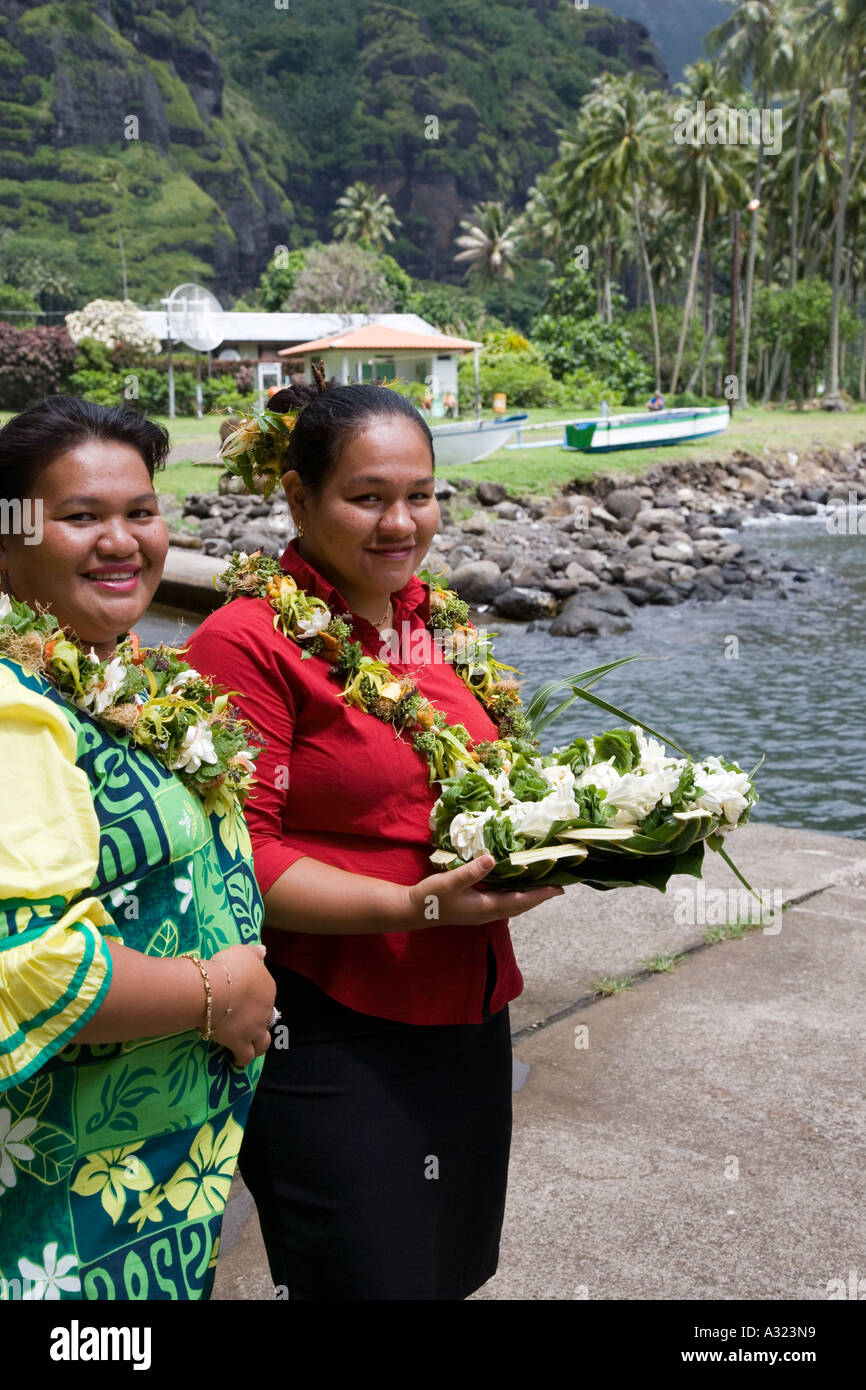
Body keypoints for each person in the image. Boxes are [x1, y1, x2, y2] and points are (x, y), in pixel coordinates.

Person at [186, 378, 564, 1300]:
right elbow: (242, 857)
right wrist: (413, 905)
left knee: (445, 1270)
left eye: (421, 494)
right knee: (368, 1280)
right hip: (328, 1025)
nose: (402, 522)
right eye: (367, 497)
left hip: (467, 1010)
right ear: (298, 498)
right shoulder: (246, 644)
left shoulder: (431, 625)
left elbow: (474, 788)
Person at [0, 396, 275, 1302]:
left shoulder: (124, 673)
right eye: (82, 517)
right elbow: (25, 961)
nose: (122, 541)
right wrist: (220, 993)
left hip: (155, 1175)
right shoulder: (15, 710)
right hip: (57, 1202)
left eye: (140, 512)